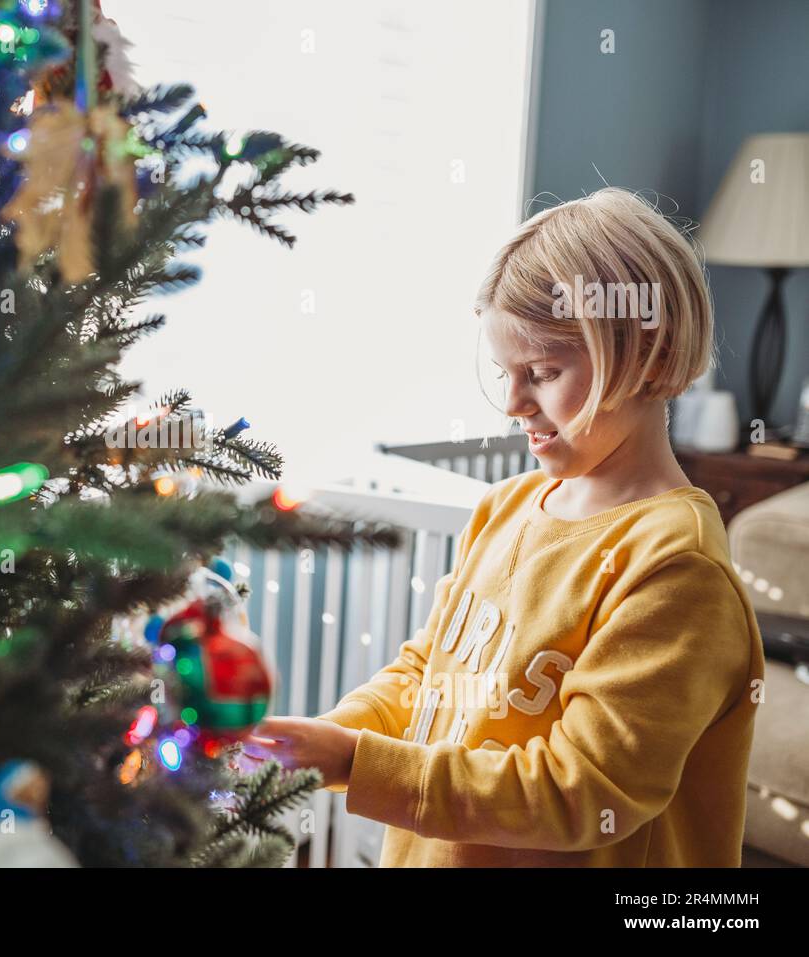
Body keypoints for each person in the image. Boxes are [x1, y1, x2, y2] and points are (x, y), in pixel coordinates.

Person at [244, 188, 765, 866]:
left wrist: (357, 762)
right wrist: (330, 737)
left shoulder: (675, 567)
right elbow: (423, 673)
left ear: (655, 358)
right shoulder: (506, 508)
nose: (516, 403)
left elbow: (582, 790)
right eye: (505, 373)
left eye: (544, 372)